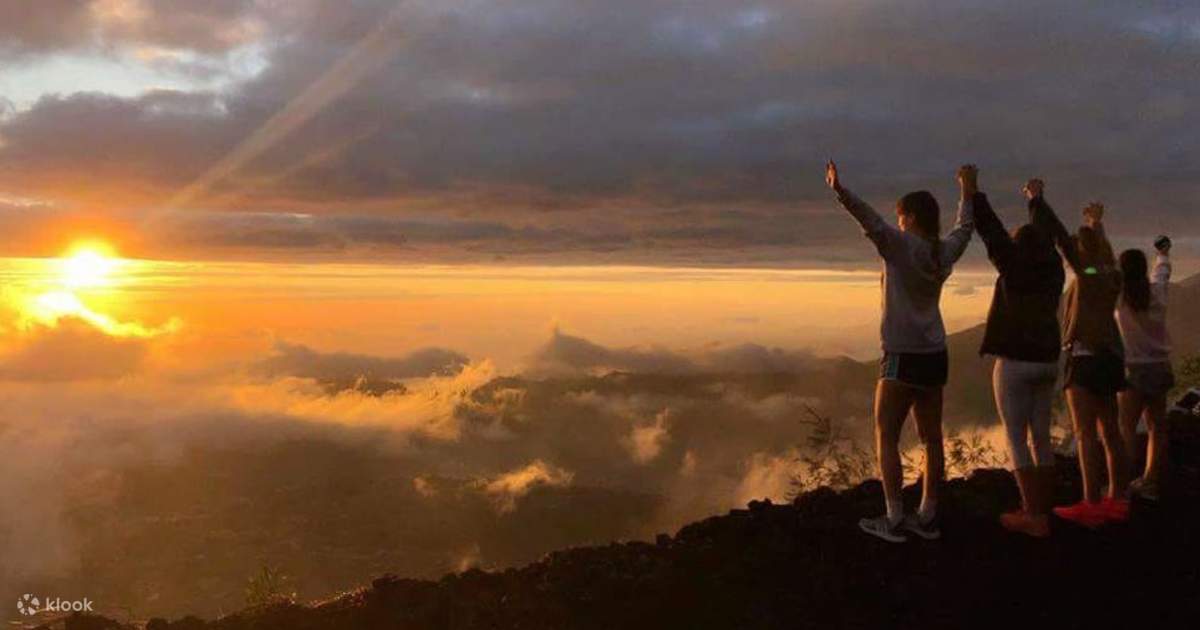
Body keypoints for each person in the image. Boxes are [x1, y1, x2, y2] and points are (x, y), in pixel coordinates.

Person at [825, 160, 975, 543]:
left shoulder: (899, 245)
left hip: (900, 355)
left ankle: (893, 517)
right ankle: (927, 514)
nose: (898, 221)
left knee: (886, 434)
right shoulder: (944, 253)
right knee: (931, 438)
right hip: (935, 354)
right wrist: (967, 191)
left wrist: (839, 190)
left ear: (908, 217)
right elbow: (965, 229)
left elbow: (869, 220)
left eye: (901, 216)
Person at [972, 176, 1066, 537]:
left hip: (1014, 361)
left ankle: (1032, 514)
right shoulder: (1054, 270)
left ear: (1018, 246)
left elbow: (992, 232)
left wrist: (973, 192)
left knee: (1015, 436)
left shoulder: (1014, 266)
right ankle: (1043, 506)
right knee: (1040, 434)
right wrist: (1036, 201)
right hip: (1047, 359)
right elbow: (1040, 235)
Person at [1047, 202, 1130, 527]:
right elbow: (1102, 256)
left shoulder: (1089, 273)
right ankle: (1118, 500)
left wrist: (1039, 203)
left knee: (1084, 434)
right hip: (1111, 358)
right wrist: (1096, 224)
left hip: (1085, 359)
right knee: (1111, 432)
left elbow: (1068, 247)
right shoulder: (1111, 275)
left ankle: (1091, 503)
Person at [1116, 237, 1174, 501]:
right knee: (1156, 427)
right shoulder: (1157, 292)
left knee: (1126, 427)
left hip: (1132, 369)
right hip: (1159, 366)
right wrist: (1163, 253)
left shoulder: (1120, 298)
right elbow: (1162, 272)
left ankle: (1123, 486)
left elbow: (1098, 272)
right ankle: (1150, 482)